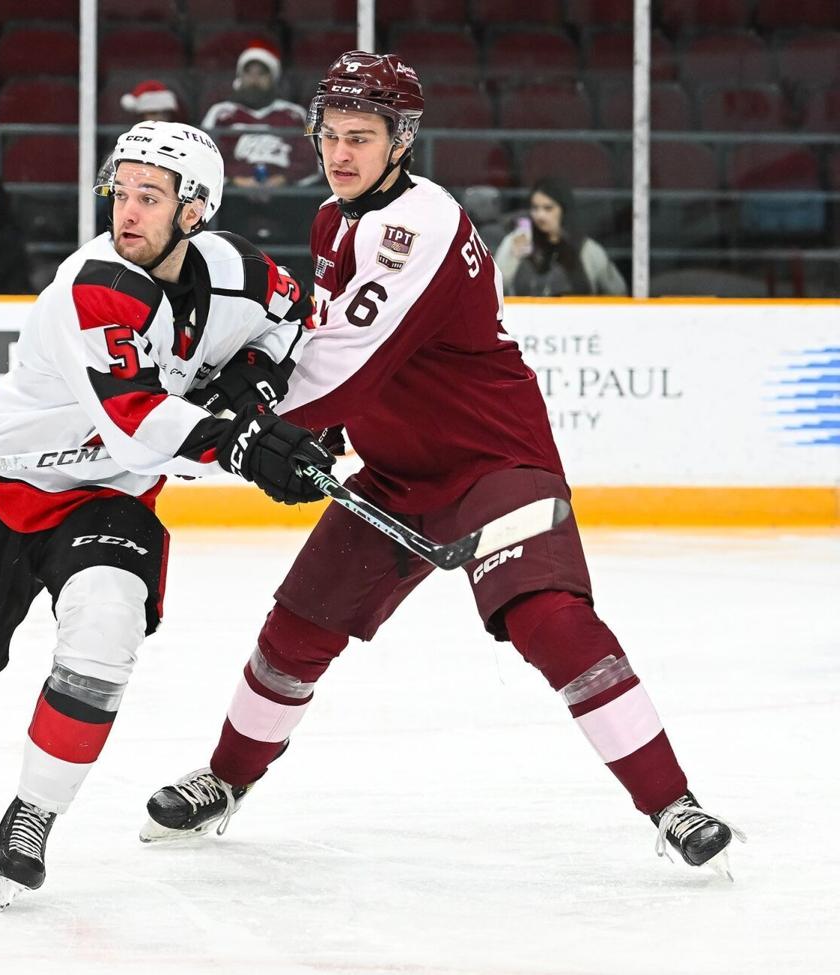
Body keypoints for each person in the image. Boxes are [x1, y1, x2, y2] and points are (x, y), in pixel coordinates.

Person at [142, 53, 743, 876]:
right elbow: (334, 345)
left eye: (360, 137)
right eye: (329, 135)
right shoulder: (332, 221)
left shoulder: (419, 224)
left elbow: (345, 362)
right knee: (297, 628)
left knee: (550, 621)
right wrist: (313, 428)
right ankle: (226, 779)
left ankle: (673, 804)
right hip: (396, 471)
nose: (339, 153)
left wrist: (230, 429)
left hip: (495, 463)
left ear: (402, 142)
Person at [0, 121, 334, 907]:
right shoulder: (95, 283)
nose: (127, 209)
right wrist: (244, 444)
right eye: (121, 191)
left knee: (107, 626)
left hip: (109, 496)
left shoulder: (241, 274)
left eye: (150, 196)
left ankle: (34, 814)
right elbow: (135, 421)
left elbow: (294, 318)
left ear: (195, 210)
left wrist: (251, 381)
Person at [200, 40, 319, 245]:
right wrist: (237, 180)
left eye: (261, 74)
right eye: (249, 73)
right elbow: (205, 157)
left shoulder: (294, 114)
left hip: (286, 194)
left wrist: (282, 179)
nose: (254, 79)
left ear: (274, 78)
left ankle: (300, 264)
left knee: (306, 209)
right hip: (234, 194)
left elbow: (313, 162)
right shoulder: (221, 113)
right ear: (239, 77)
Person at [494, 177, 627, 297]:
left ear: (563, 210)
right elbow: (495, 288)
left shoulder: (586, 249)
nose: (540, 215)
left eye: (548, 208)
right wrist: (513, 258)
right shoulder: (517, 241)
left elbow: (618, 293)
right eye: (535, 208)